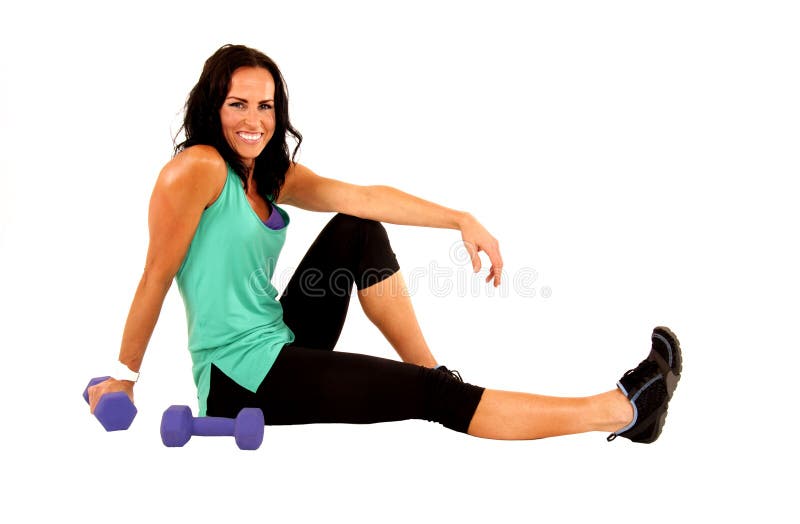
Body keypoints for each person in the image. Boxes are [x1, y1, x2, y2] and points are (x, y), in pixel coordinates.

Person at [87, 44, 682, 443]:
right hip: (237, 378)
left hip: (282, 338)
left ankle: (433, 376)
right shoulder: (195, 170)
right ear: (212, 105)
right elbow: (155, 275)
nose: (254, 120)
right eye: (238, 103)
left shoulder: (267, 175)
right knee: (432, 397)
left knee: (356, 228)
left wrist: (459, 218)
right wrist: (124, 375)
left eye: (265, 106)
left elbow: (365, 197)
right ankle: (626, 408)